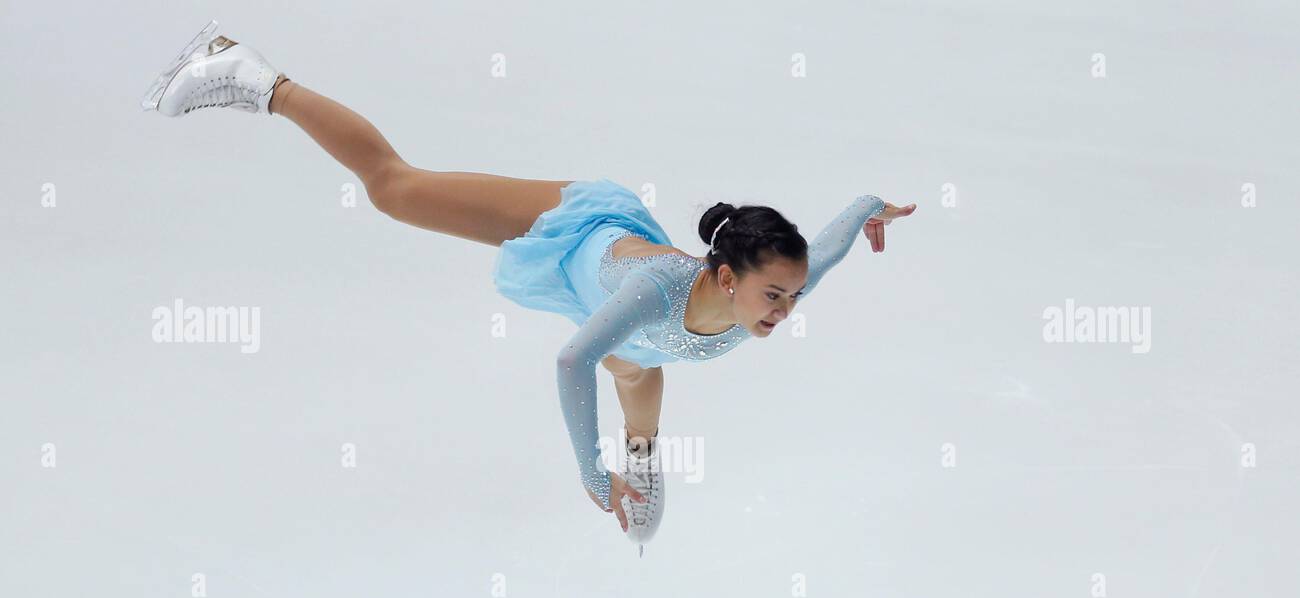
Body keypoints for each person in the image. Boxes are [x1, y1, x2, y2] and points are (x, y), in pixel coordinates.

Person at [141, 20, 916, 555]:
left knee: (639, 365)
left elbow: (825, 247)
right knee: (394, 188)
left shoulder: (763, 292)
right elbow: (570, 363)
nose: (788, 309)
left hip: (636, 332)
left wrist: (870, 206)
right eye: (775, 295)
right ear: (725, 276)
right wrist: (589, 474)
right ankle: (250, 73)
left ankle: (642, 457)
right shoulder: (658, 292)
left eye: (790, 295)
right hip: (571, 231)